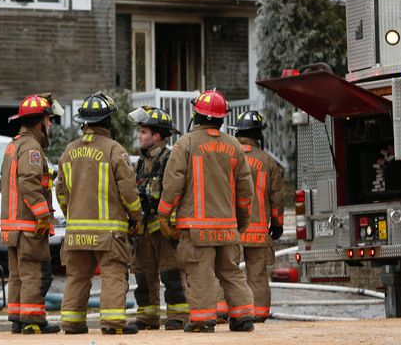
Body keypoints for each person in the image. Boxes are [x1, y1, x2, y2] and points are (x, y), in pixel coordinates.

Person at [157, 90, 256, 333]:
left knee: (200, 273)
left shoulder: (186, 144)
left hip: (197, 230)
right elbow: (246, 191)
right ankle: (244, 318)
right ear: (222, 119)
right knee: (231, 272)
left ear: (197, 115)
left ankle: (202, 321)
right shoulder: (234, 146)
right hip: (227, 227)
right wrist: (240, 222)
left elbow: (172, 185)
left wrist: (164, 215)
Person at [56, 91, 143, 335]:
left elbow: (60, 191)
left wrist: (72, 214)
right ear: (108, 121)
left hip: (76, 233)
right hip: (109, 233)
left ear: (84, 122)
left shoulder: (68, 151)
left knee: (77, 277)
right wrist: (136, 218)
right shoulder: (115, 150)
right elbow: (129, 192)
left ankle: (72, 323)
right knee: (114, 275)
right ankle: (113, 324)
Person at [0, 95, 63, 334]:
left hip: (13, 227)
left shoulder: (13, 145)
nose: (50, 125)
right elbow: (28, 183)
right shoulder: (32, 148)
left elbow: (4, 182)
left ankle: (17, 318)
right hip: (29, 226)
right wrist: (43, 215)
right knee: (35, 273)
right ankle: (33, 321)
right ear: (39, 122)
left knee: (17, 275)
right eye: (49, 120)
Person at [127, 106, 188, 330]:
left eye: (143, 131)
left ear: (157, 135)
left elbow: (177, 190)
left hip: (165, 229)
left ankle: (178, 316)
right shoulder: (141, 162)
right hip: (144, 229)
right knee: (143, 275)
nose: (138, 135)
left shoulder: (170, 159)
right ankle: (147, 317)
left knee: (171, 273)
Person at [232, 110, 284, 323]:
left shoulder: (229, 155)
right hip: (258, 230)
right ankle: (259, 314)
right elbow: (277, 197)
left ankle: (223, 311)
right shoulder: (268, 162)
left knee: (227, 272)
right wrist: (278, 224)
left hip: (231, 228)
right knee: (258, 276)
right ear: (258, 135)